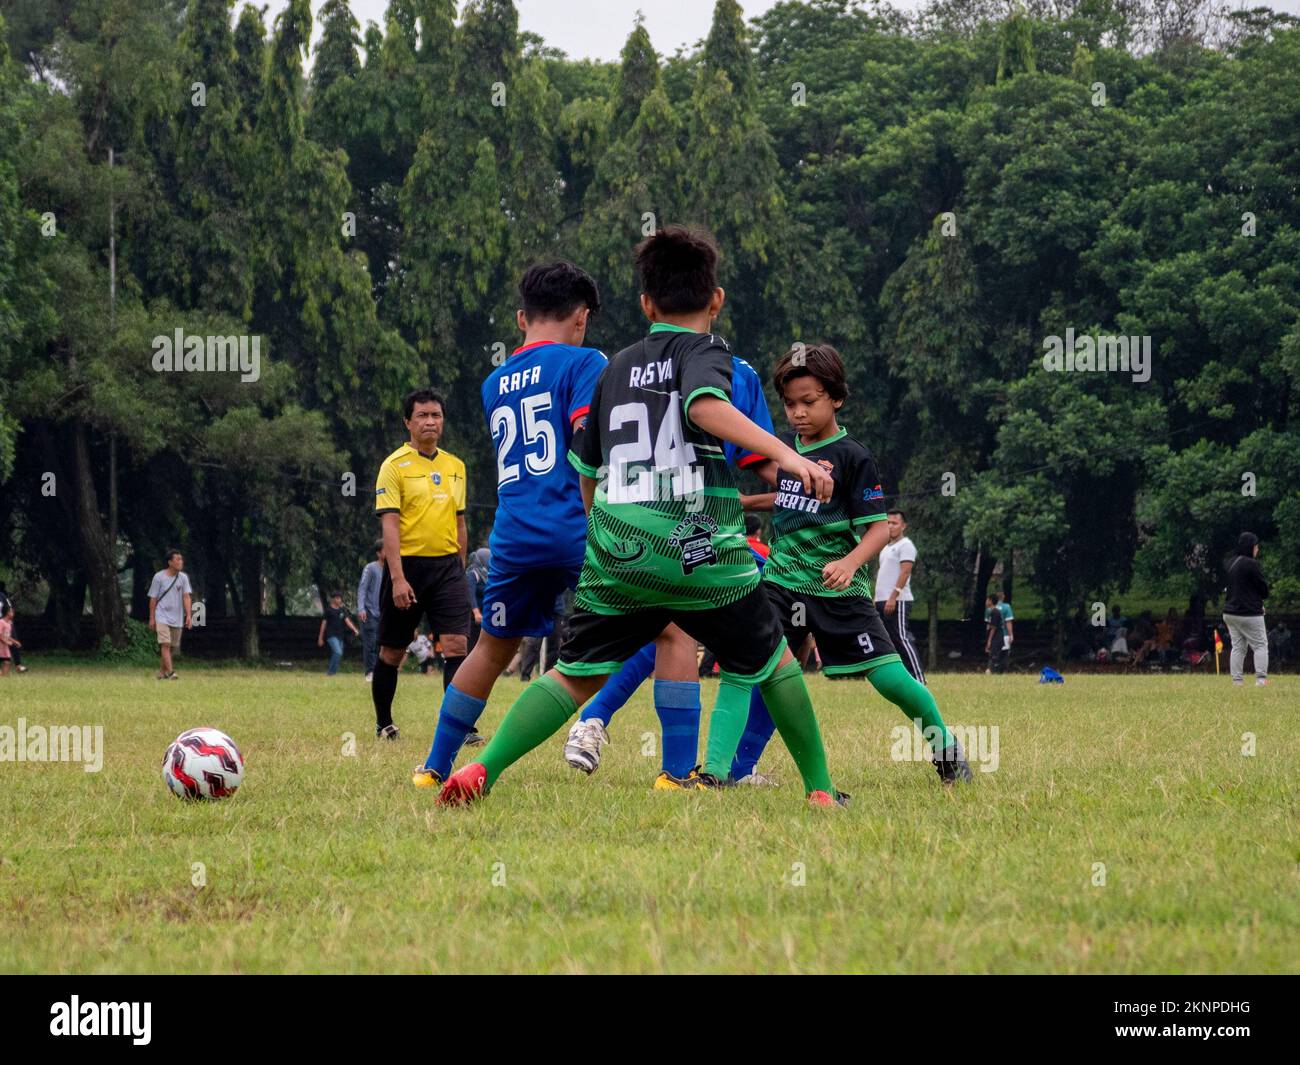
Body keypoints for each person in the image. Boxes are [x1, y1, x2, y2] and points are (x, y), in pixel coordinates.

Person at [435, 225, 846, 807]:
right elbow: (704, 406)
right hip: (700, 546)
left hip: (619, 550)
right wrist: (785, 453)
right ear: (717, 300)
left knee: (573, 674)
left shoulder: (612, 366)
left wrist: (602, 524)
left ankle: (482, 768)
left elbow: (585, 465)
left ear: (646, 304)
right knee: (776, 662)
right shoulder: (709, 352)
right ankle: (821, 791)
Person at [702, 343, 970, 786]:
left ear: (837, 398)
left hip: (835, 589)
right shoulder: (787, 450)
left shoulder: (853, 456)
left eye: (809, 402)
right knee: (749, 666)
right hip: (781, 582)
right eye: (789, 404)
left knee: (889, 679)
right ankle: (720, 773)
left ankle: (945, 748)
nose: (797, 413)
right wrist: (747, 500)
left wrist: (849, 563)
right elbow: (791, 496)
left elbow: (878, 528)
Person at [561, 352, 781, 782]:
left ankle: (594, 721)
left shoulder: (625, 366)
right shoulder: (731, 370)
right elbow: (767, 465)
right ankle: (721, 768)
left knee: (668, 630)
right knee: (753, 641)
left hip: (644, 528)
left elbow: (588, 459)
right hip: (690, 529)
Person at [371, 387, 470, 739]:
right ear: (408, 422)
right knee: (393, 651)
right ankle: (384, 724)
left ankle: (460, 726)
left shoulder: (456, 467)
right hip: (407, 569)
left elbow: (460, 524)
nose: (430, 421)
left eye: (436, 415)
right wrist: (397, 579)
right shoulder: (393, 466)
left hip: (446, 570)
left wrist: (459, 569)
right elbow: (390, 527)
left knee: (458, 644)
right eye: (423, 416)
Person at [875, 510, 926, 683]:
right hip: (881, 600)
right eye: (888, 522)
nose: (890, 526)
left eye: (894, 523)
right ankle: (902, 679)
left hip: (898, 600)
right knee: (889, 641)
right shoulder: (886, 548)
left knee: (902, 637)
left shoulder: (906, 545)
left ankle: (919, 678)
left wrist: (893, 596)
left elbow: (905, 571)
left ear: (903, 526)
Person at [1223, 531, 1269, 686]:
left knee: (1238, 647)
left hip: (1230, 613)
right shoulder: (1251, 564)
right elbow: (1263, 589)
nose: (1257, 550)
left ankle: (1237, 681)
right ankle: (1261, 680)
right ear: (1251, 547)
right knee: (1260, 645)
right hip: (1249, 613)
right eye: (1256, 547)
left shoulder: (1231, 563)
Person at [148, 549, 192, 680]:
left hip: (177, 617)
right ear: (170, 562)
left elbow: (186, 597)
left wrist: (189, 615)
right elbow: (153, 599)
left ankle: (162, 672)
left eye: (181, 559)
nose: (181, 561)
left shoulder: (183, 578)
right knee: (165, 644)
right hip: (161, 615)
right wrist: (152, 618)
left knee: (172, 647)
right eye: (178, 559)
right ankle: (171, 673)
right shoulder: (159, 577)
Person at [357, 541, 384, 681]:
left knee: (381, 642)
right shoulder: (371, 568)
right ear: (379, 553)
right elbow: (362, 588)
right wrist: (361, 608)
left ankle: (379, 671)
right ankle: (370, 672)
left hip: (383, 612)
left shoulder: (392, 569)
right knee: (371, 642)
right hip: (369, 611)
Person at [318, 592, 360, 676]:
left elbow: (347, 621)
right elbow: (324, 624)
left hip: (340, 635)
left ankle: (333, 673)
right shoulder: (328, 610)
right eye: (337, 598)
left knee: (338, 654)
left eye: (340, 598)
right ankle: (330, 672)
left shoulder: (342, 610)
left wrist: (355, 629)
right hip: (331, 635)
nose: (339, 600)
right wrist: (320, 637)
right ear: (333, 599)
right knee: (338, 652)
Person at [466, 547, 490, 652]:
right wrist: (476, 612)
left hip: (485, 617)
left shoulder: (487, 575)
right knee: (473, 647)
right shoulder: (473, 573)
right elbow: (470, 593)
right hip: (473, 618)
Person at [0, 583, 27, 673]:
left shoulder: (2, 596)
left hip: (3, 621)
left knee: (13, 639)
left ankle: (18, 665)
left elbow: (9, 608)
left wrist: (8, 619)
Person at [984, 594, 1008, 674]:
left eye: (987, 600)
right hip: (996, 637)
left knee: (993, 656)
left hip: (996, 638)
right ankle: (995, 671)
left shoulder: (995, 612)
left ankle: (990, 671)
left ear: (990, 601)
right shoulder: (992, 612)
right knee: (995, 655)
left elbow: (993, 628)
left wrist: (989, 640)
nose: (986, 602)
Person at [0, 603, 19, 676]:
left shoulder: (10, 623)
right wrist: (6, 642)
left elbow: (8, 635)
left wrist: (15, 642)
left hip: (5, 647)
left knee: (7, 661)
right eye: (12, 612)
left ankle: (4, 677)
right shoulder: (1, 622)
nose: (13, 613)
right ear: (7, 613)